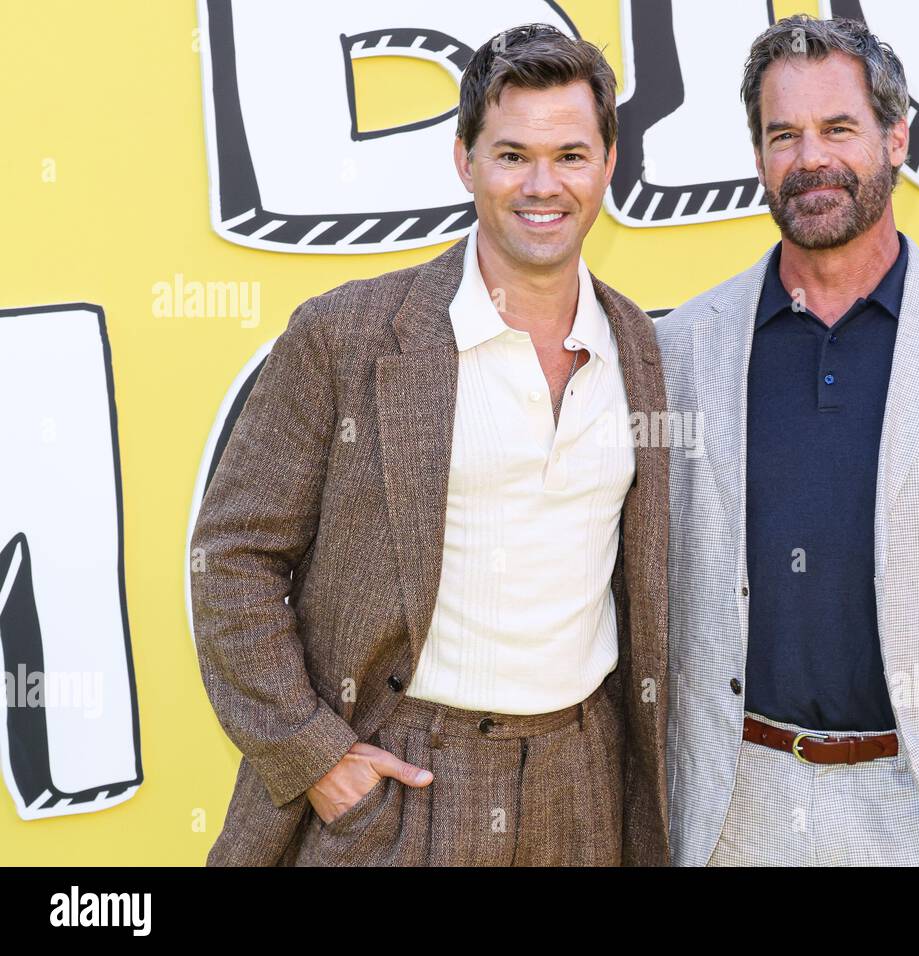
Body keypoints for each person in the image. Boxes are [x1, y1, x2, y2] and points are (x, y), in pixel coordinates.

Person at [190, 23, 668, 866]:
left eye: (570, 155)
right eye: (512, 154)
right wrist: (315, 755)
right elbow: (232, 557)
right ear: (465, 160)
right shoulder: (345, 335)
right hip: (403, 781)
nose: (542, 185)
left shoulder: (642, 347)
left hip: (583, 784)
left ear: (608, 163)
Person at [656, 14, 919, 866]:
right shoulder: (683, 346)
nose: (811, 157)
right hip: (734, 809)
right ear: (758, 157)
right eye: (784, 134)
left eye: (838, 128)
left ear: (896, 139)